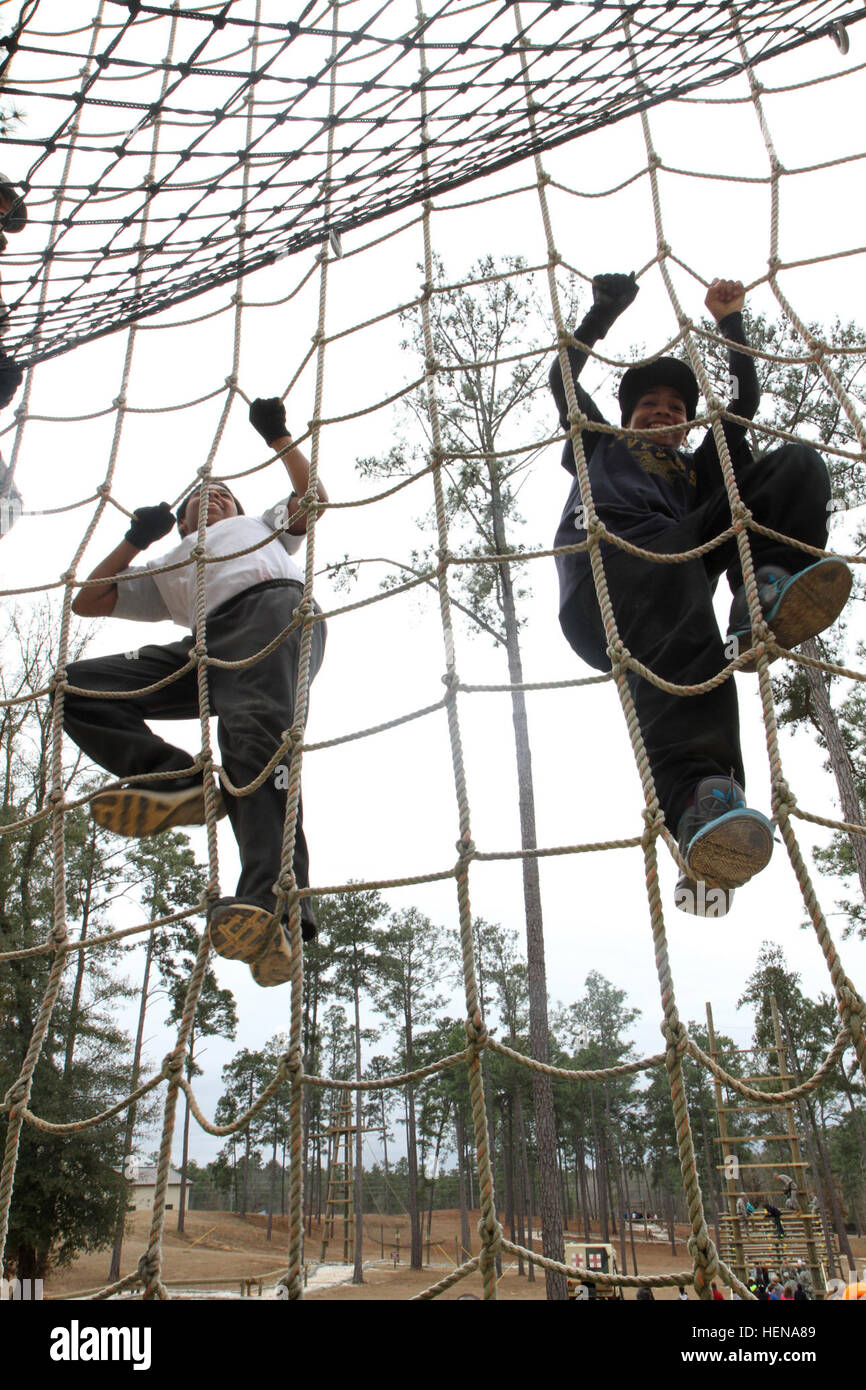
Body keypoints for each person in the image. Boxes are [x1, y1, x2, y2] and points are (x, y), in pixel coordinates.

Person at [549, 273, 850, 917]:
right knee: (679, 613)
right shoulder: (599, 445)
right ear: (630, 414)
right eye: (650, 404)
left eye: (675, 408)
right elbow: (563, 381)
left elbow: (741, 407)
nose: (664, 412)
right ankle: (690, 792)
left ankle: (760, 601)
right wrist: (602, 312)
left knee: (794, 467)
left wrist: (731, 326)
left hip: (678, 561)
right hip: (606, 576)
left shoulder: (695, 472)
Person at [63, 398, 328, 987]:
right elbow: (89, 601)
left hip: (270, 615)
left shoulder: (260, 527)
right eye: (196, 503)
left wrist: (280, 438)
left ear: (237, 507)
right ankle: (175, 781)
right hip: (206, 648)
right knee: (77, 689)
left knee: (252, 744)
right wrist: (136, 539)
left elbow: (314, 499)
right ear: (181, 524)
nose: (210, 499)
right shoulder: (168, 563)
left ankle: (273, 905)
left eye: (221, 495)